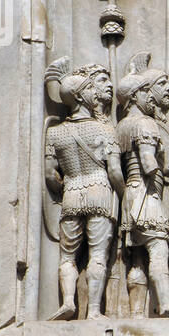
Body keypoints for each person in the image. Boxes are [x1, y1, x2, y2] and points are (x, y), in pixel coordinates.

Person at [43, 61, 122, 319]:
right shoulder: (104, 129)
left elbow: (50, 175)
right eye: (90, 89)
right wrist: (124, 194)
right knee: (97, 254)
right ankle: (95, 311)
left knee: (68, 255)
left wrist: (63, 184)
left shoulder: (54, 134)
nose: (94, 94)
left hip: (72, 194)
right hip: (100, 190)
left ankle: (68, 301)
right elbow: (114, 171)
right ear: (80, 96)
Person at [116, 54, 169, 316]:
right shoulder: (145, 123)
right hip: (146, 193)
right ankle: (164, 304)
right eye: (146, 92)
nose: (151, 98)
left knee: (137, 258)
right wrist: (165, 170)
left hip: (129, 194)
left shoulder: (120, 126)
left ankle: (136, 314)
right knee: (158, 249)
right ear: (137, 96)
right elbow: (147, 161)